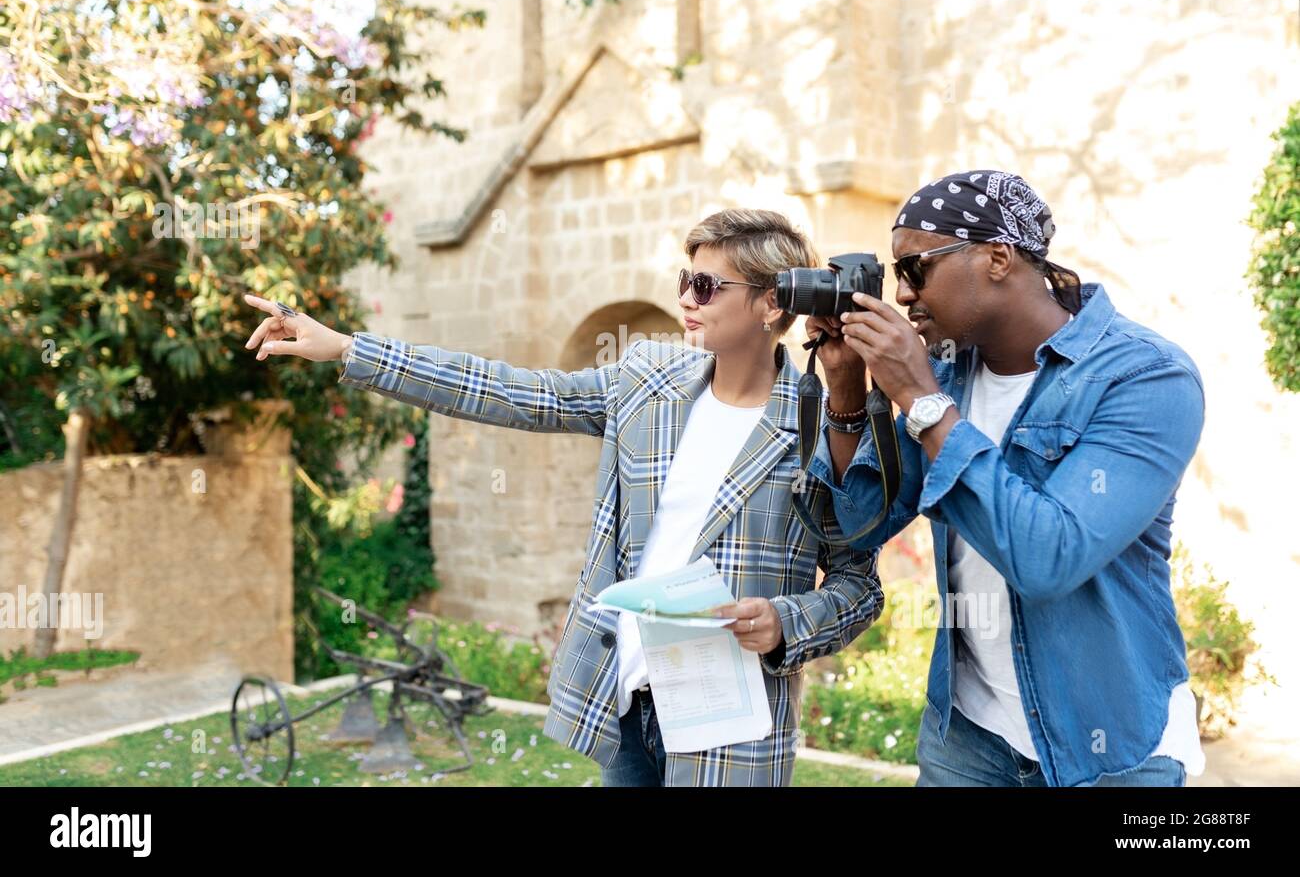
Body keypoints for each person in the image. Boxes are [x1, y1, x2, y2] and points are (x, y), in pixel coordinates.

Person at [241, 208, 883, 786]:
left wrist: (785, 624)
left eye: (707, 286)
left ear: (771, 304)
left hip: (730, 732)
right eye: (684, 280)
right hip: (624, 704)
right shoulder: (646, 381)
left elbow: (858, 586)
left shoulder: (824, 425)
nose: (688, 299)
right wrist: (349, 348)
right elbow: (509, 391)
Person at [800, 170, 1206, 787]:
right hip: (968, 738)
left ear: (996, 257)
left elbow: (1050, 558)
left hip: (1110, 747)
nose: (903, 294)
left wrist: (924, 403)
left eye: (915, 269)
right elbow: (856, 524)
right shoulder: (946, 373)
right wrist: (848, 386)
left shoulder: (1145, 376)